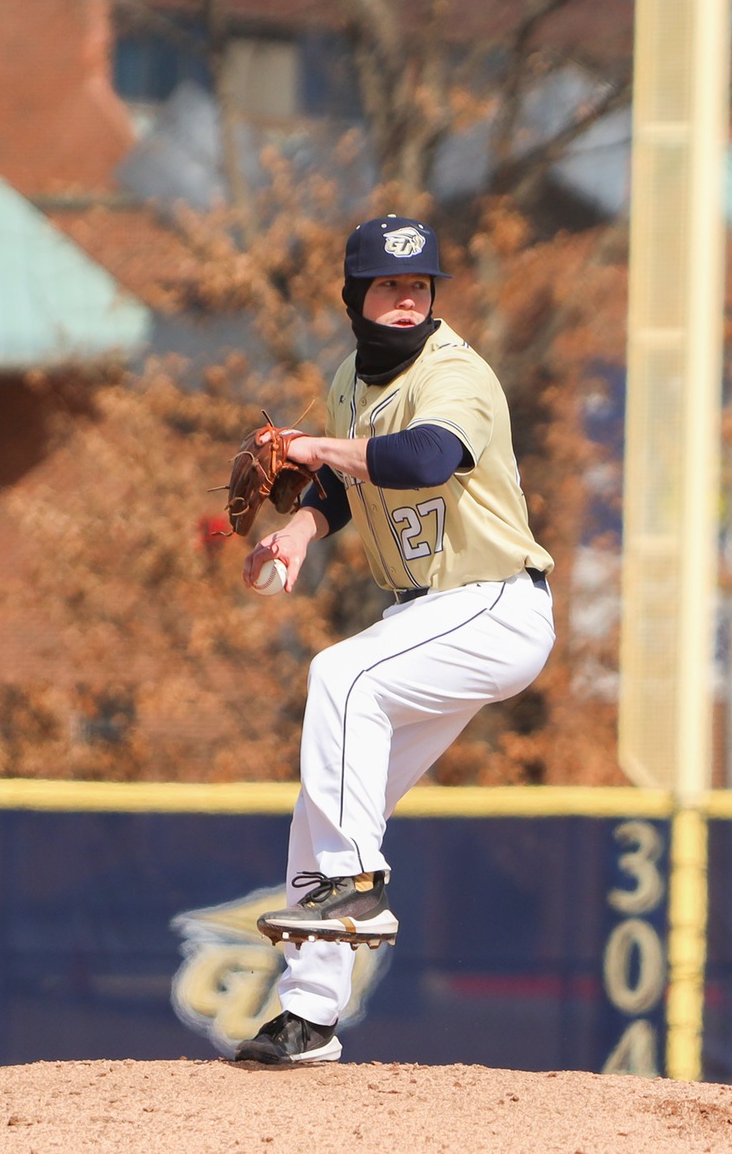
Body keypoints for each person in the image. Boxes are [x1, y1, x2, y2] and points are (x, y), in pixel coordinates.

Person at [231, 214, 557, 1065]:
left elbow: (419, 460)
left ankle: (358, 888)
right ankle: (309, 1017)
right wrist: (300, 532)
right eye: (389, 285)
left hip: (495, 603)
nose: (408, 299)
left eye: (419, 286)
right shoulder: (349, 379)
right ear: (356, 298)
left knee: (339, 676)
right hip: (429, 618)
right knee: (331, 794)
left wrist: (302, 444)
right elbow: (347, 485)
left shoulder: (458, 373)